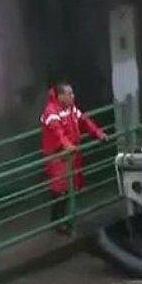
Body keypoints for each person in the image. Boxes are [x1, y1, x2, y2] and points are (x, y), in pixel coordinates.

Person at [40, 79, 107, 234]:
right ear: (60, 96)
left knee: (70, 187)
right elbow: (58, 132)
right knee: (60, 188)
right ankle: (58, 222)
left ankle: (65, 219)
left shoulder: (70, 108)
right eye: (69, 94)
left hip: (69, 153)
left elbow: (84, 121)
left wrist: (98, 133)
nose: (73, 96)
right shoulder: (51, 112)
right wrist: (67, 146)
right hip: (57, 155)